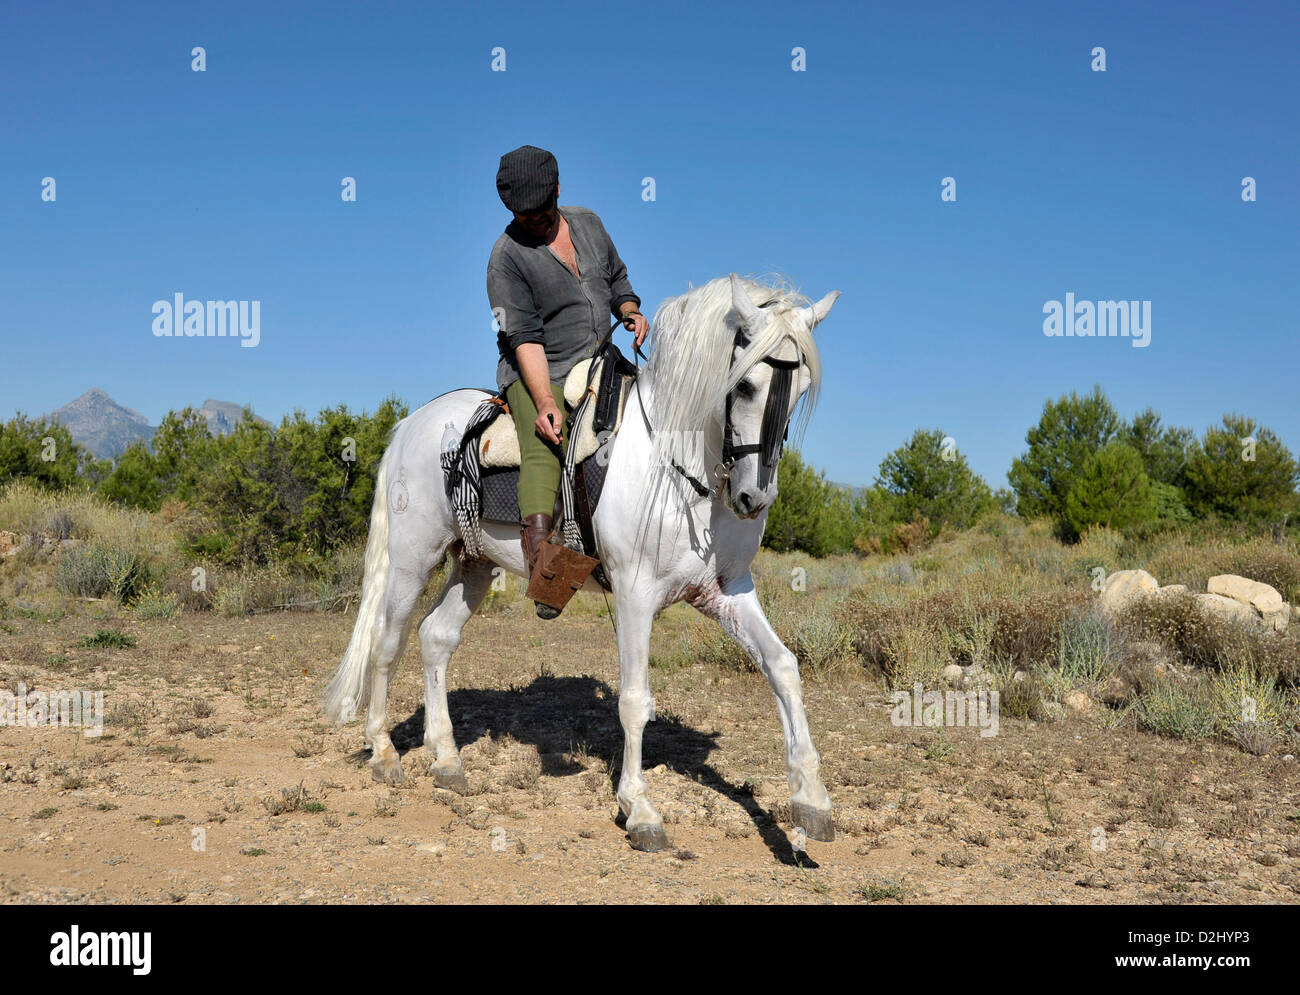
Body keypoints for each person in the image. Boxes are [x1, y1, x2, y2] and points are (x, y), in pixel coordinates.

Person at [486, 145, 649, 609]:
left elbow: (617, 278)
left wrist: (630, 310)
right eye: (523, 215)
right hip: (541, 368)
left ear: (558, 190)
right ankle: (548, 576)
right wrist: (543, 403)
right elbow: (523, 337)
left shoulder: (589, 223)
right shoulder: (505, 257)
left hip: (602, 358)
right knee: (545, 446)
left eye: (541, 210)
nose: (533, 221)